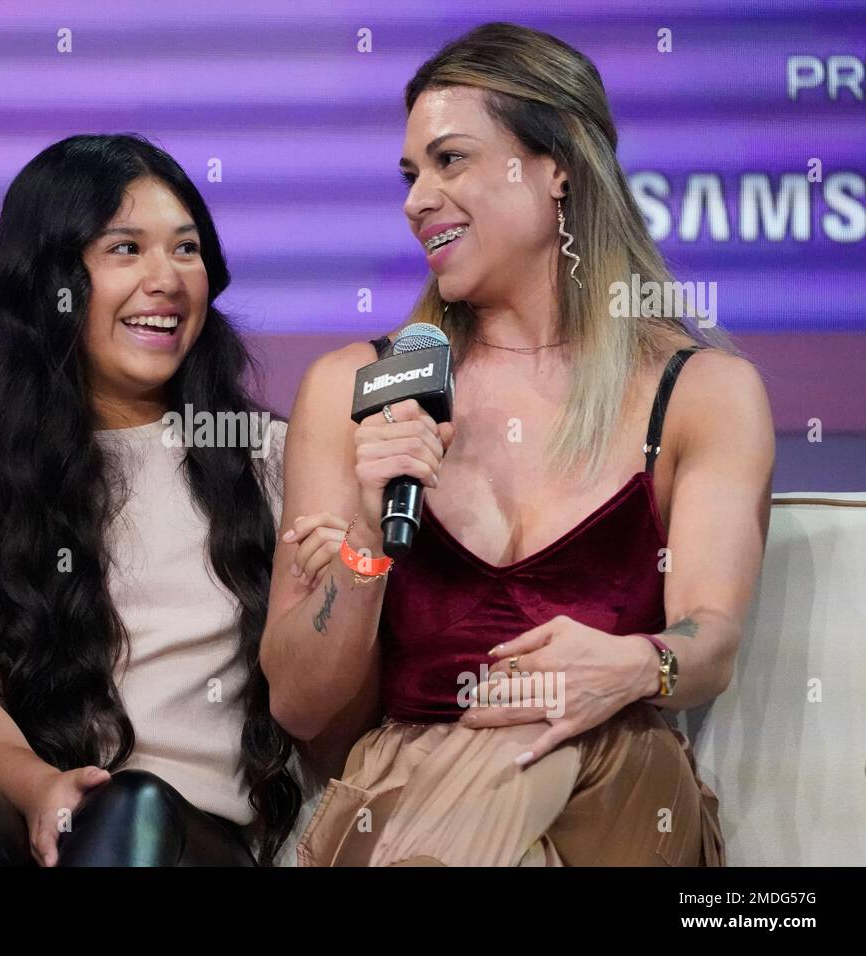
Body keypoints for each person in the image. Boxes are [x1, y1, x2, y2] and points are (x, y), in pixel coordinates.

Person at [261, 22, 774, 866]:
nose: (415, 198)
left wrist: (636, 666)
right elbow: (303, 710)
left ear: (557, 166)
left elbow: (708, 643)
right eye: (409, 173)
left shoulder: (702, 392)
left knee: (583, 739)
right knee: (492, 776)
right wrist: (361, 540)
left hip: (620, 787)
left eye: (450, 160)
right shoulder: (354, 389)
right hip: (416, 788)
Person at [0, 133, 304, 867]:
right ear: (48, 282)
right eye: (125, 249)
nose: (166, 279)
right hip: (10, 810)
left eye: (186, 249)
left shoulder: (271, 459)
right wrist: (41, 789)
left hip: (187, 835)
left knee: (129, 810)